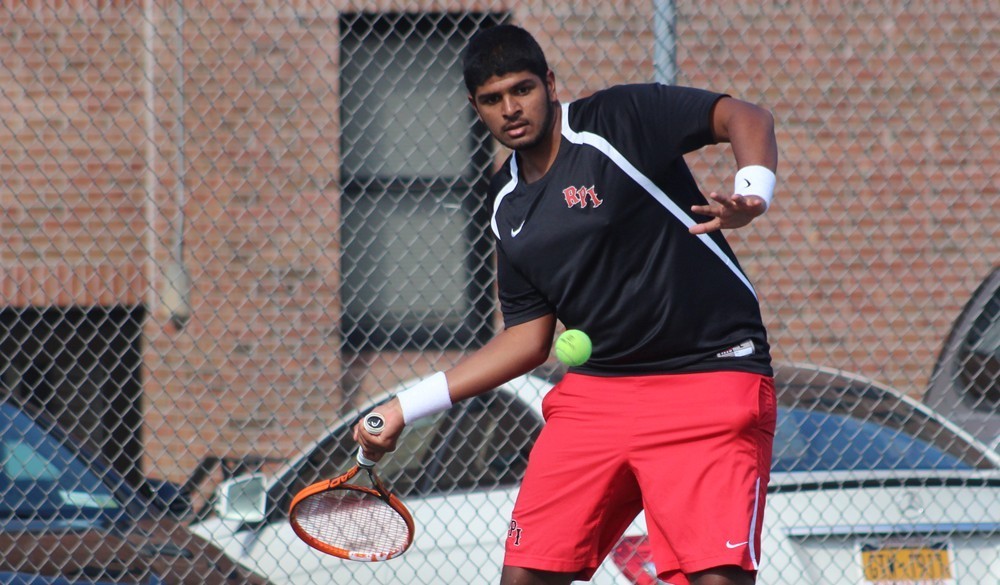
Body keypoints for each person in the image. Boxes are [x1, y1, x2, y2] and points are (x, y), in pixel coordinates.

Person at [355, 24, 779, 585]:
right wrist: (406, 406)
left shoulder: (617, 120)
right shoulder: (504, 201)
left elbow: (743, 116)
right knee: (526, 576)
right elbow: (527, 338)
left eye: (522, 89)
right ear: (474, 106)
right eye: (492, 99)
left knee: (713, 579)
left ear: (550, 84)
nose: (511, 108)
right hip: (597, 396)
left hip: (709, 377)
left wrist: (753, 193)